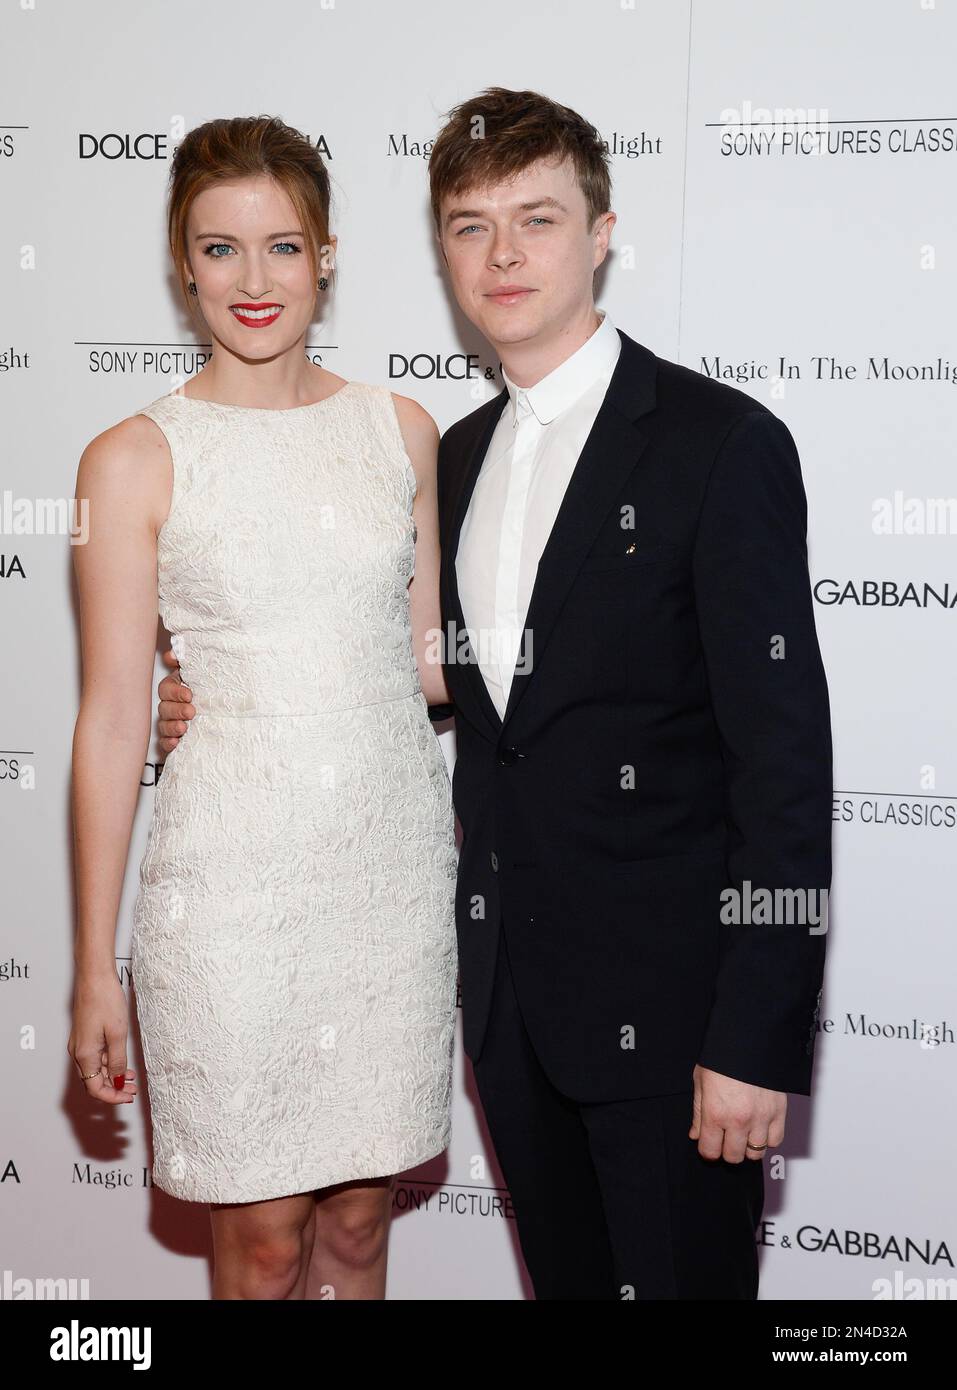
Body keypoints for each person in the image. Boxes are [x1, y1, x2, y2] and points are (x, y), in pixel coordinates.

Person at [158, 88, 833, 1300]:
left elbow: (783, 764)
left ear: (603, 231)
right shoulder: (447, 457)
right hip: (508, 1011)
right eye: (471, 226)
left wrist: (754, 1040)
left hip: (679, 1028)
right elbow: (428, 680)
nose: (506, 254)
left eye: (538, 218)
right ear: (441, 254)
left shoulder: (718, 444)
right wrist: (222, 697)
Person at [68, 115, 457, 1301]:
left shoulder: (400, 431)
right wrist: (95, 965)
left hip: (387, 881)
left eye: (282, 246)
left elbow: (429, 664)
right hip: (230, 890)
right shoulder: (133, 457)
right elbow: (110, 719)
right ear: (182, 262)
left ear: (328, 255)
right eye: (220, 248)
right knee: (265, 1241)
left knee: (355, 1229)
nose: (253, 279)